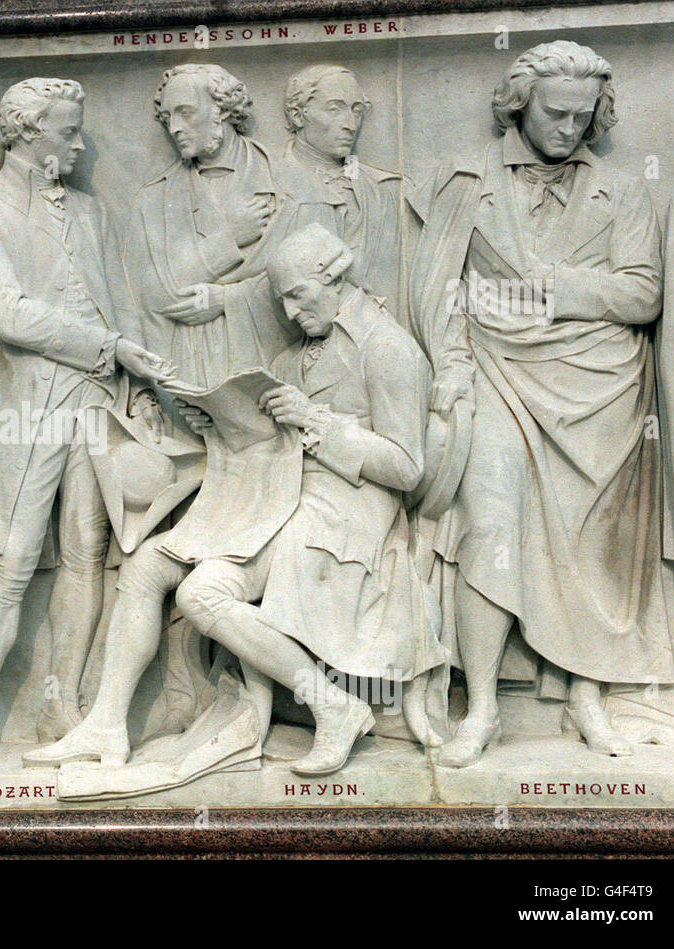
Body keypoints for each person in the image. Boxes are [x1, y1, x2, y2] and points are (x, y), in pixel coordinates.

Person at [28, 224, 442, 776]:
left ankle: (333, 706)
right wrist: (220, 426)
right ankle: (105, 728)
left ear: (335, 277)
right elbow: (274, 445)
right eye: (283, 301)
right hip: (277, 497)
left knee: (202, 594)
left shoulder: (389, 350)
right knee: (149, 564)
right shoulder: (299, 357)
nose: (292, 313)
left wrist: (317, 421)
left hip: (342, 514)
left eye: (298, 295)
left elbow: (407, 467)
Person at [408, 40, 673, 767]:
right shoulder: (465, 180)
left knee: (594, 544)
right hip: (493, 370)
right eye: (555, 113)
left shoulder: (622, 191)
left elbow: (643, 292)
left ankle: (585, 697)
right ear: (520, 102)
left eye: (583, 116)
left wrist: (554, 286)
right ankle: (484, 704)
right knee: (490, 524)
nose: (568, 128)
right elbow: (438, 294)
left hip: (601, 390)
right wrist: (453, 372)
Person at [0, 77, 174, 777]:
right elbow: (10, 315)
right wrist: (107, 346)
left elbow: (117, 302)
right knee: (11, 559)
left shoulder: (91, 213)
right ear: (28, 133)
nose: (81, 143)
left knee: (86, 549)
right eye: (68, 131)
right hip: (27, 409)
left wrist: (134, 377)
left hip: (97, 400)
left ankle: (61, 702)